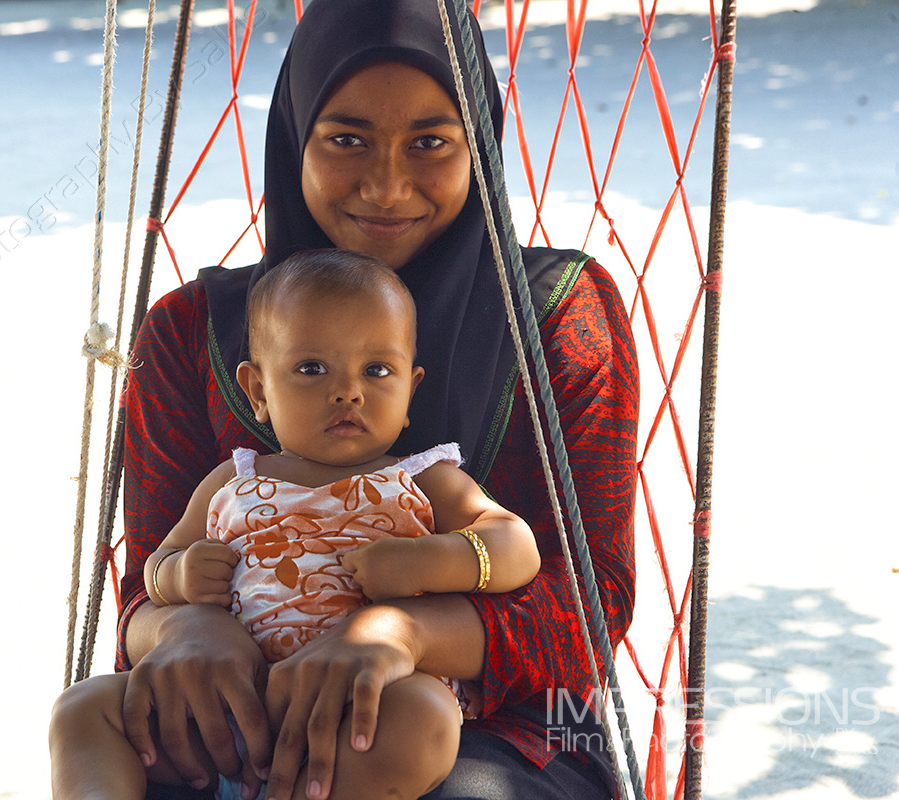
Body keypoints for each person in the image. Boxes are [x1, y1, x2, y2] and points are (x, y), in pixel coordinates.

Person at [49, 1, 639, 799]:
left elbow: (592, 609)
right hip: (231, 706)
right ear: (296, 138)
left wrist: (400, 634)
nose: (387, 187)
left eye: (430, 142)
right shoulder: (192, 331)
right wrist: (186, 624)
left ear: (480, 145)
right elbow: (146, 588)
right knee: (94, 723)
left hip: (500, 721)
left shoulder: (560, 314)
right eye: (346, 140)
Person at [52, 248, 542, 800]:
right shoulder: (235, 478)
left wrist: (430, 561)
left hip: (360, 709)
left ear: (411, 389)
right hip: (226, 705)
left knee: (424, 717)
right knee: (82, 708)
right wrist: (182, 576)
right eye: (312, 368)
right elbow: (155, 567)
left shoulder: (423, 477)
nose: (348, 391)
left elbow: (515, 544)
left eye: (377, 370)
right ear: (258, 391)